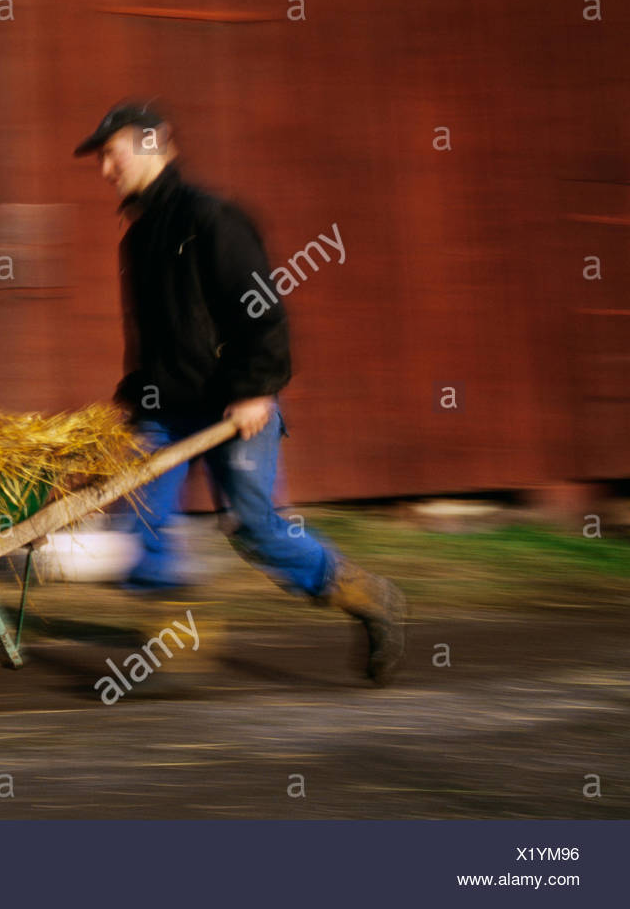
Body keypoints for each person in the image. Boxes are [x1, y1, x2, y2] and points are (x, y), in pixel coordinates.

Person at [73, 99, 407, 686]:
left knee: (254, 528)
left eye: (112, 152)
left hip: (234, 401)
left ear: (155, 141)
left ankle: (367, 597)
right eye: (101, 157)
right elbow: (155, 337)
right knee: (144, 516)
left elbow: (264, 313)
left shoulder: (212, 219)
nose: (106, 169)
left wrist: (255, 389)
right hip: (167, 408)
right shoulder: (138, 238)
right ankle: (173, 644)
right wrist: (134, 397)